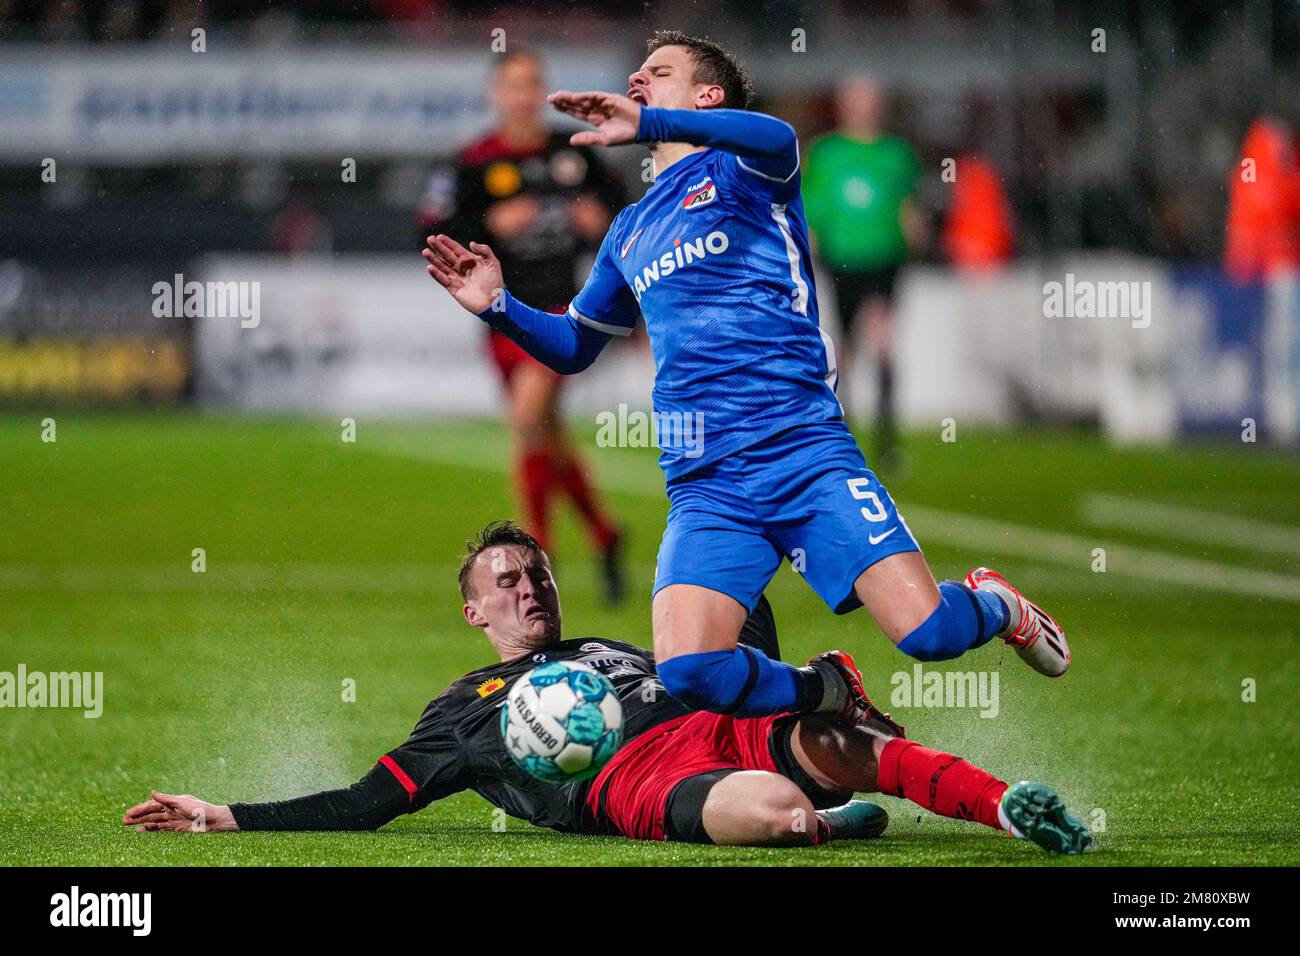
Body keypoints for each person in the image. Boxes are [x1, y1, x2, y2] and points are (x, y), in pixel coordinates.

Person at [422, 31, 1071, 729]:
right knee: (688, 669)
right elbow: (576, 344)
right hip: (707, 482)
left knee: (929, 636)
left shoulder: (750, 172)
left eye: (658, 73)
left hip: (803, 453)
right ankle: (825, 691)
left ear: (708, 97)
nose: (639, 81)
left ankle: (995, 603)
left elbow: (777, 134)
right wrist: (500, 306)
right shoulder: (630, 229)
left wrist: (654, 123)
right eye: (637, 75)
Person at [123, 521, 1091, 853]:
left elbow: (714, 661)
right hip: (635, 784)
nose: (527, 585)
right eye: (505, 578)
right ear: (474, 611)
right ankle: (828, 820)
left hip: (713, 725)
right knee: (783, 809)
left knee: (842, 748)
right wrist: (227, 814)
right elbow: (366, 800)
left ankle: (1006, 804)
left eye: (536, 570)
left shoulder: (599, 642)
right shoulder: (464, 710)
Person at [419, 46, 627, 601]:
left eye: (533, 83)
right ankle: (606, 534)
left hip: (565, 313)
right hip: (501, 315)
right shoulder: (473, 162)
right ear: (495, 95)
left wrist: (600, 221)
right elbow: (433, 225)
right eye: (513, 84)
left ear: (543, 91)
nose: (523, 94)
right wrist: (486, 221)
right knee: (546, 434)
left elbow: (630, 216)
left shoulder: (575, 151)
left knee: (527, 417)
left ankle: (539, 550)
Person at [804, 74, 924, 468]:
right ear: (843, 105)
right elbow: (813, 210)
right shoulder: (827, 154)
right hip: (842, 260)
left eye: (870, 99)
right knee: (846, 350)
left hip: (884, 258)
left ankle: (888, 443)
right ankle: (844, 433)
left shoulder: (896, 154)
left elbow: (908, 208)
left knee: (884, 343)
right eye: (856, 99)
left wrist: (916, 233)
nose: (864, 106)